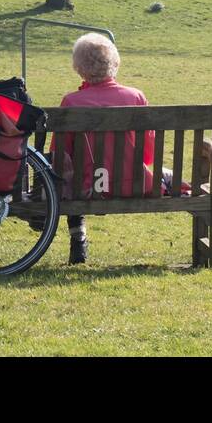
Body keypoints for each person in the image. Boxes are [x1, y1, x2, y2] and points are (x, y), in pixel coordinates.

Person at [55, 34, 153, 264]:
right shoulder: (136, 97)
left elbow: (61, 158)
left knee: (71, 177)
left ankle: (78, 239)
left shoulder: (72, 102)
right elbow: (148, 154)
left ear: (79, 68)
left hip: (90, 188)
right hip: (136, 184)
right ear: (114, 63)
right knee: (165, 174)